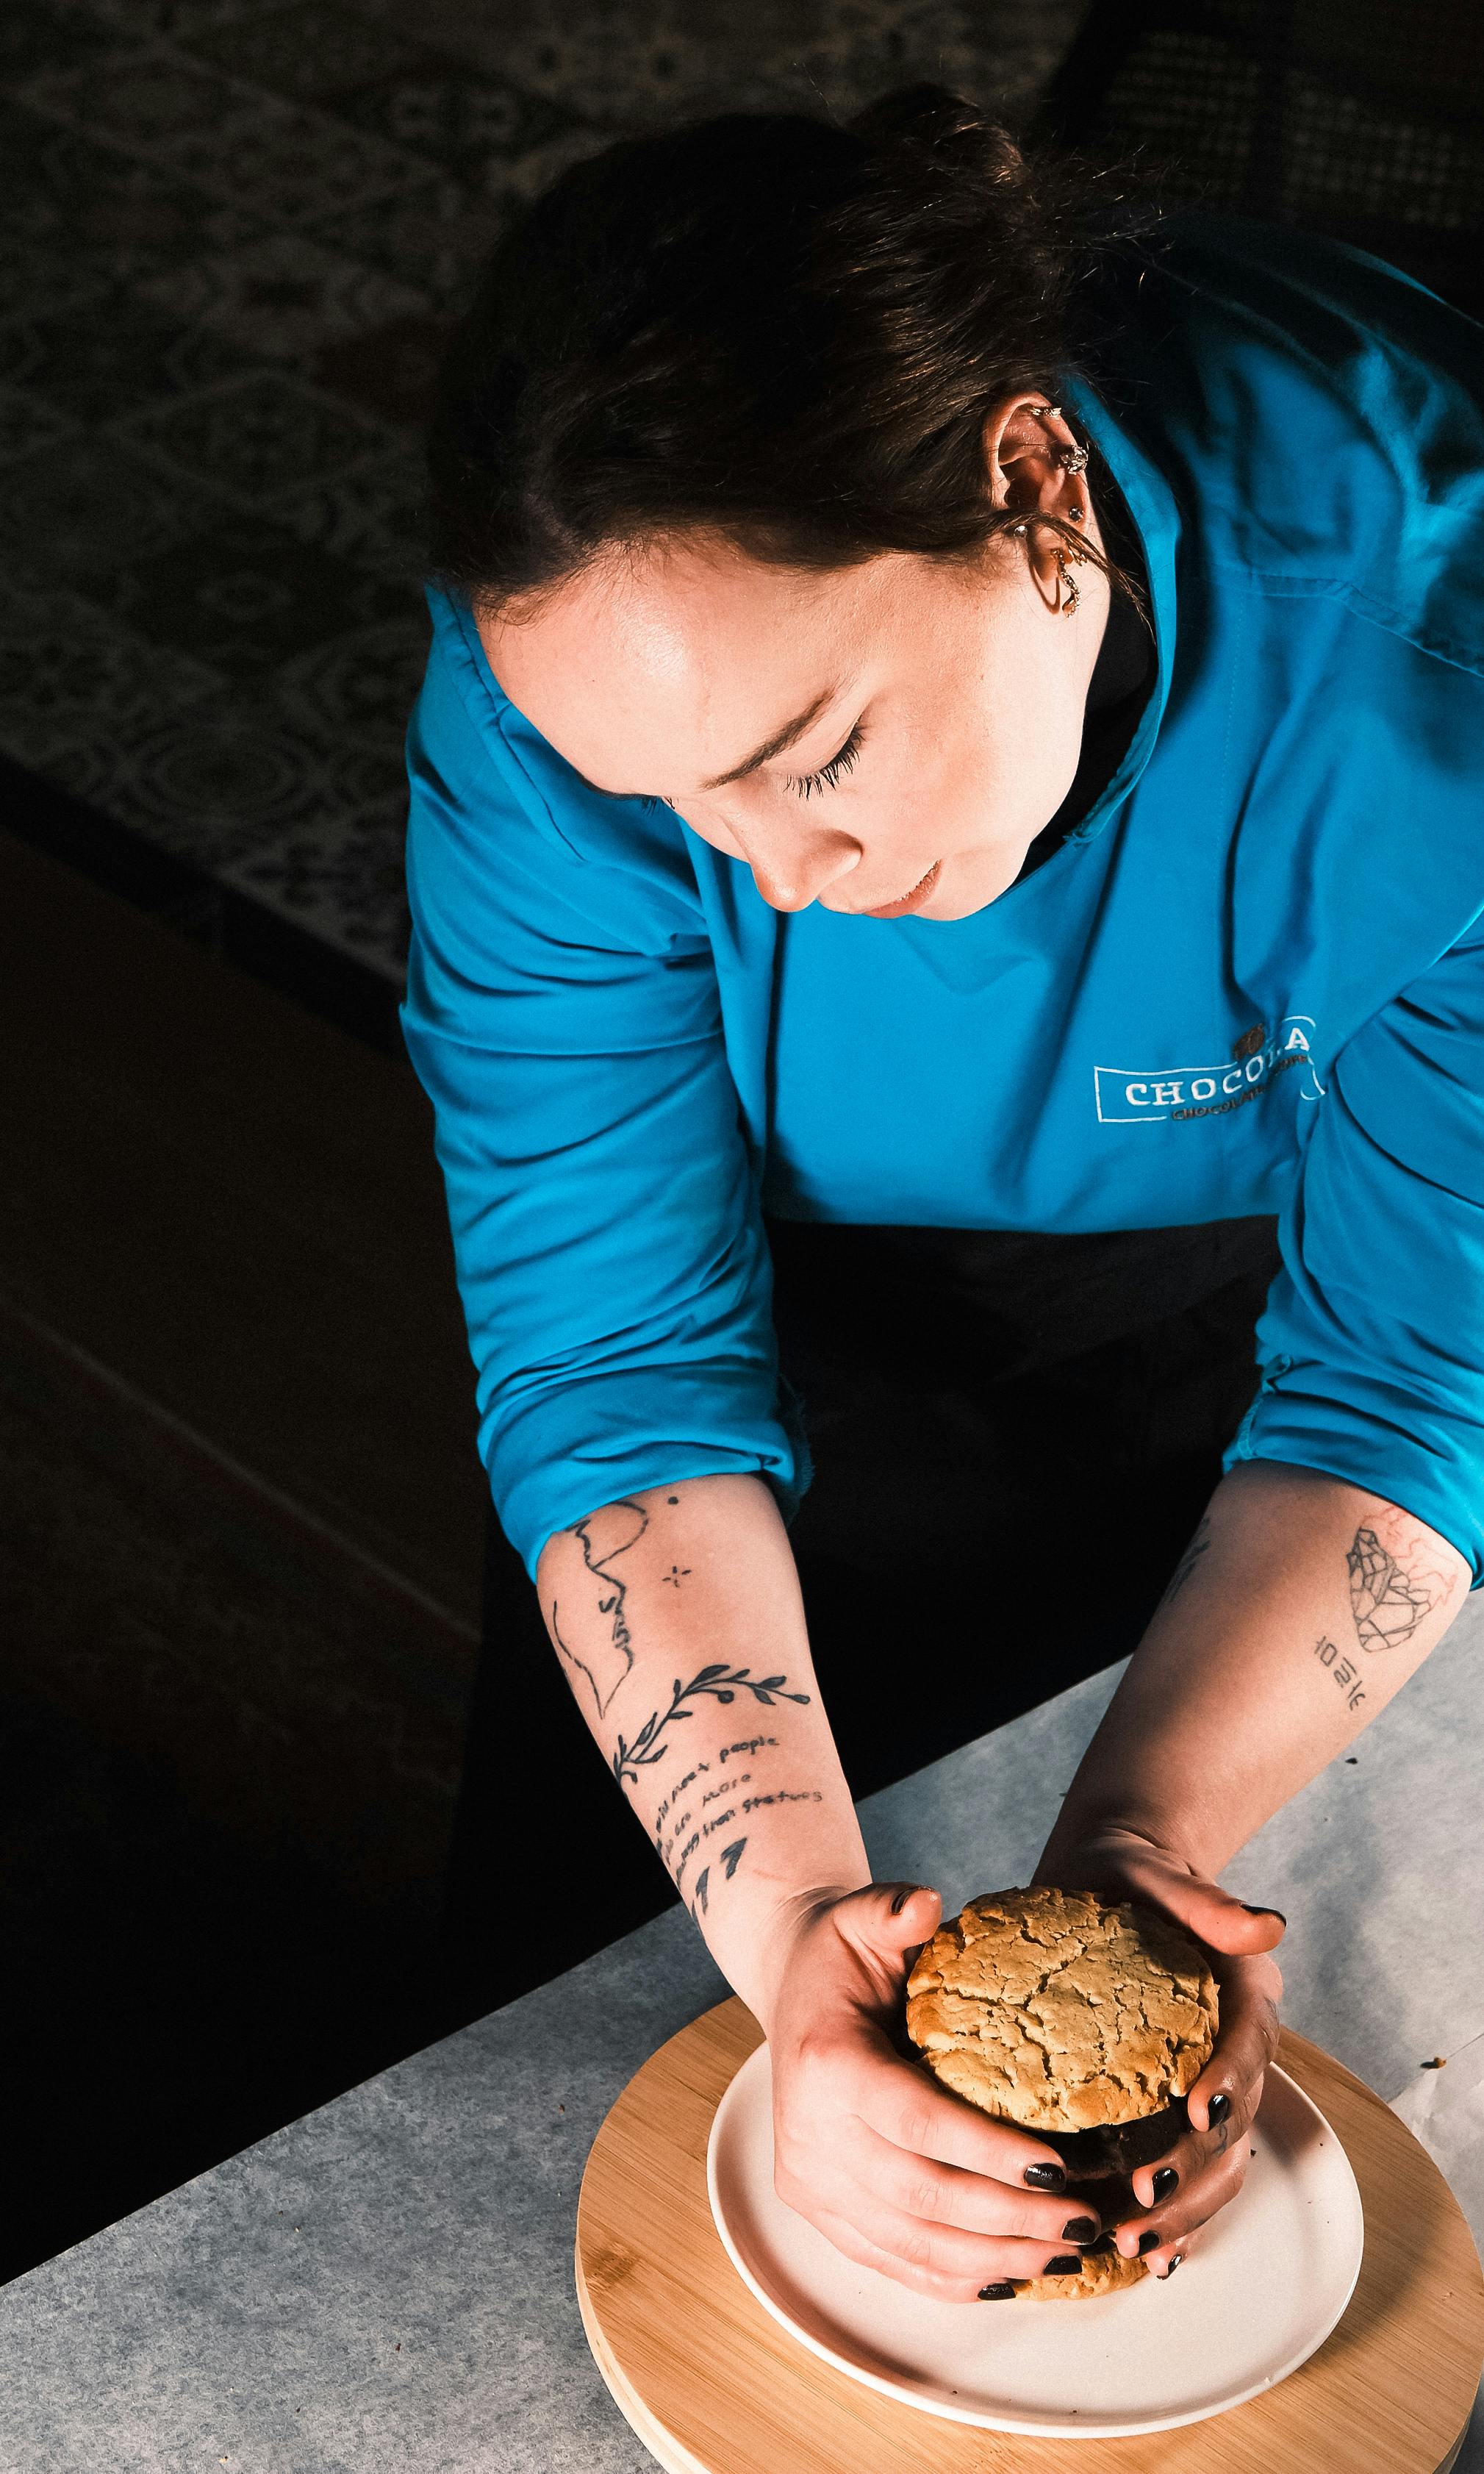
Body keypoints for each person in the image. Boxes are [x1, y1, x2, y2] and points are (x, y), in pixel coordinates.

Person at [402, 87, 1482, 2300]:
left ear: (1030, 484)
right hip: (759, 1325)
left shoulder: (1432, 676)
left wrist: (1144, 1854)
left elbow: (1402, 1374)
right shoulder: (580, 678)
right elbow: (611, 1359)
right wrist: (791, 1925)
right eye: (678, 815)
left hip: (1231, 1304)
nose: (776, 883)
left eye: (819, 757)